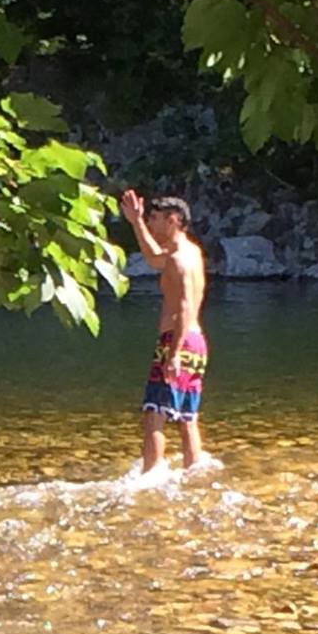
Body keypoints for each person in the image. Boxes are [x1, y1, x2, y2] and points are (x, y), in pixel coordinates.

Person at [119, 189, 218, 483]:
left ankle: (149, 479)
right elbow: (153, 258)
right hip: (196, 342)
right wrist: (136, 222)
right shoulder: (189, 252)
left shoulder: (179, 260)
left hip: (177, 341)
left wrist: (173, 353)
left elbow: (185, 306)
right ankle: (194, 474)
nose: (151, 223)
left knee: (154, 414)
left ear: (173, 220)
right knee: (187, 416)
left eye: (155, 218)